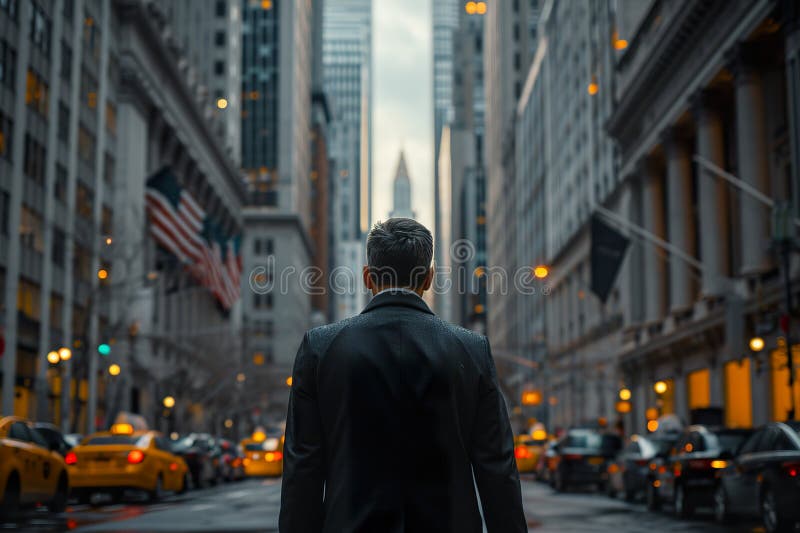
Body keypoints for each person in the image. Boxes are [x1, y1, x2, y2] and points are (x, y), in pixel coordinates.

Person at [279, 218, 526, 533]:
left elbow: (303, 470)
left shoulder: (320, 348)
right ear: (429, 278)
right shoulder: (472, 349)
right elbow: (498, 469)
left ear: (367, 278)